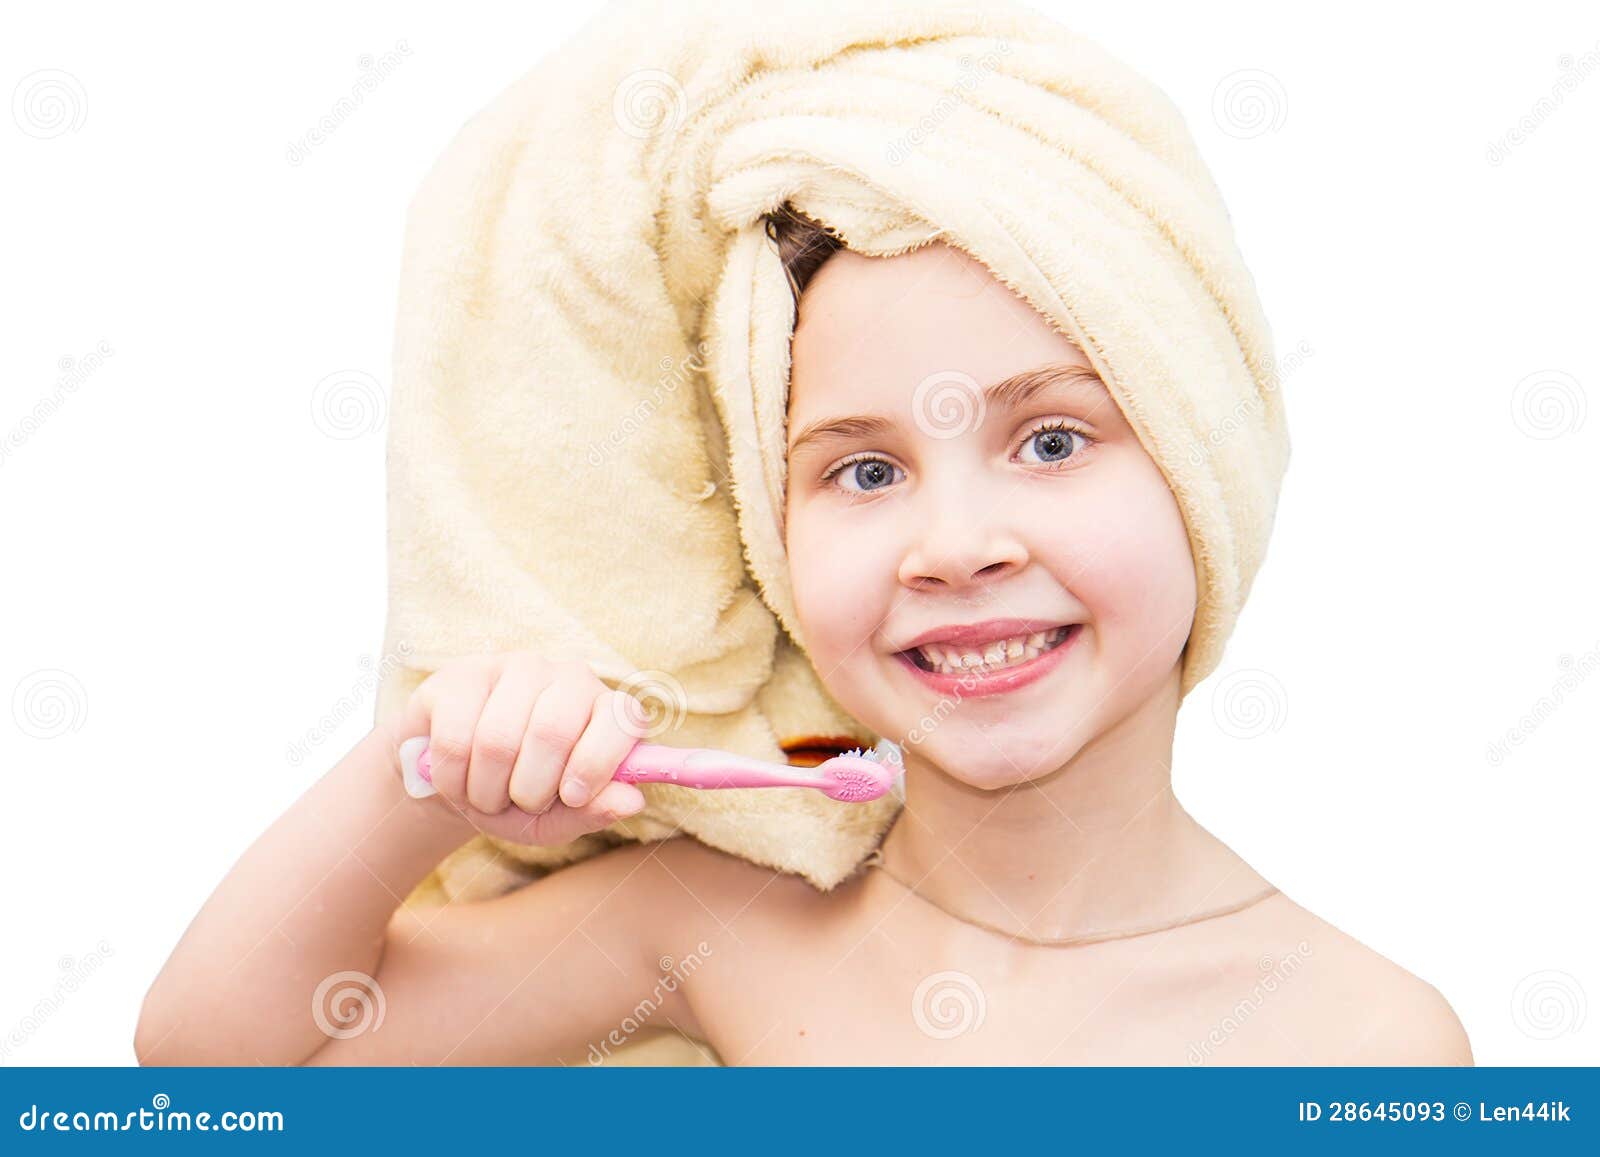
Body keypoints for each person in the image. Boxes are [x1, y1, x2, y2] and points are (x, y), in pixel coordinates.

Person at [135, 207, 1473, 1066]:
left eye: (1052, 438)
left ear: (1205, 470)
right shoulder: (717, 919)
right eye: (864, 471)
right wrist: (422, 776)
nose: (955, 543)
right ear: (778, 553)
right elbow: (227, 1068)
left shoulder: (1367, 1044)